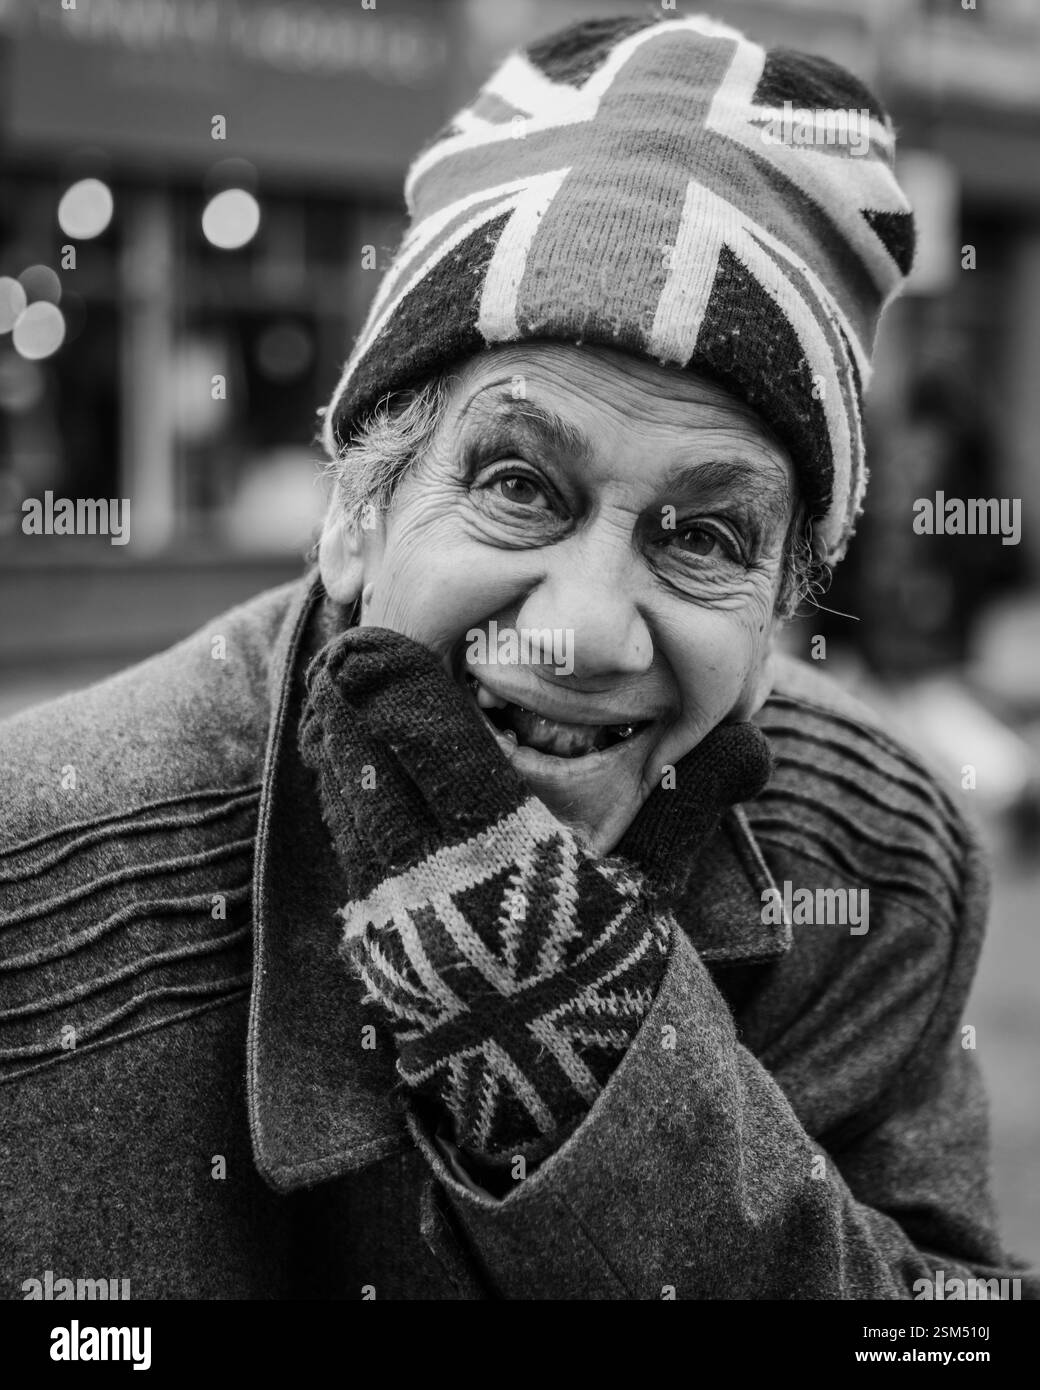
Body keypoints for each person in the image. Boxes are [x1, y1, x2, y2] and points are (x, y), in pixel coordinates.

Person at [2, 13, 1032, 1300]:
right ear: (355, 516)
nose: (586, 632)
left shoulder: (876, 862)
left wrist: (582, 1063)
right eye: (517, 484)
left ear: (775, 617)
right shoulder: (37, 880)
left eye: (704, 536)